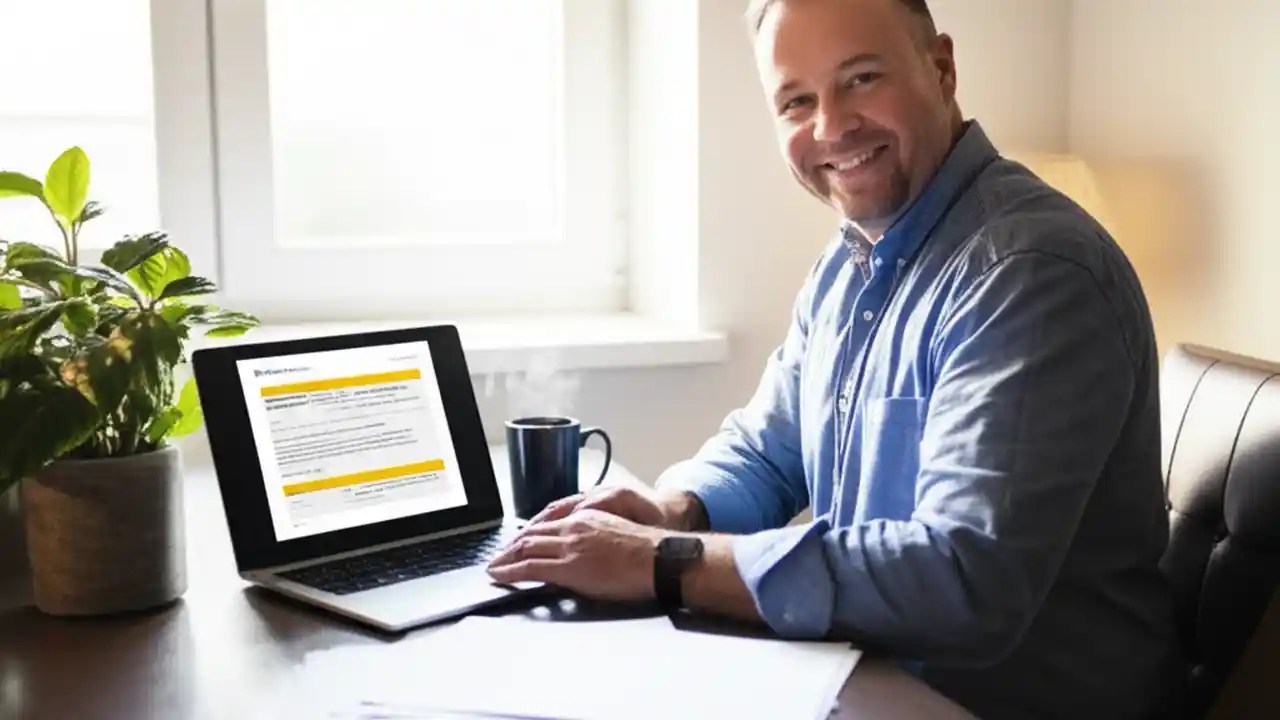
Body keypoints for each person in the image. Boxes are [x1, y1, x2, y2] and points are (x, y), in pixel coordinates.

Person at [487, 0, 1180, 716]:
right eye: (795, 101)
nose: (831, 127)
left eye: (861, 79)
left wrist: (663, 562)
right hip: (862, 680)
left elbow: (961, 580)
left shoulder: (1031, 274)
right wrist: (673, 509)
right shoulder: (849, 264)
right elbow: (769, 450)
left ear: (941, 69)